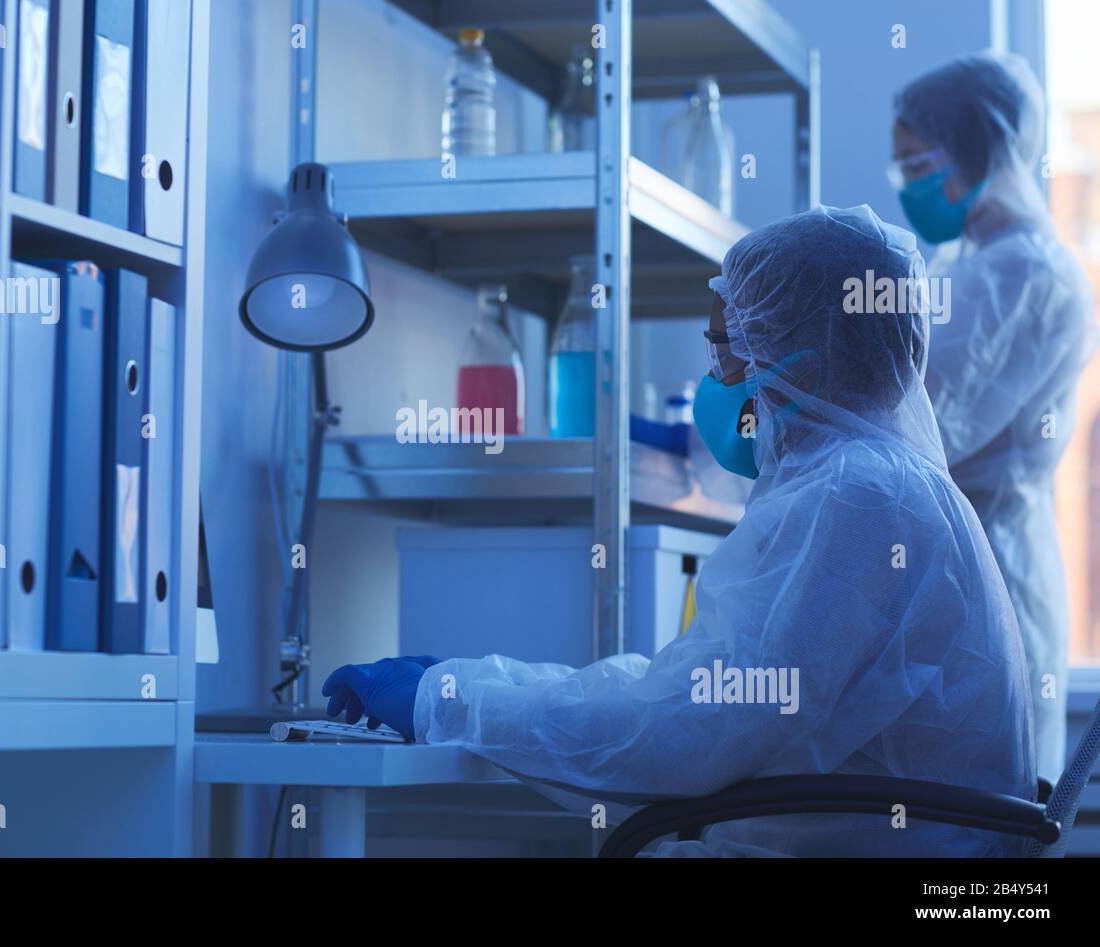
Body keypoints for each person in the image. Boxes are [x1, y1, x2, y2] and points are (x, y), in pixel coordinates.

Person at [324, 205, 1036, 857]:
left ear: (806, 365)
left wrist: (447, 700)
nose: (715, 378)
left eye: (729, 351)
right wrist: (474, 682)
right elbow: (699, 696)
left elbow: (685, 732)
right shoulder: (877, 484)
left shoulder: (855, 497)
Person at [891, 52, 1098, 780]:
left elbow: (922, 426)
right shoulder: (977, 265)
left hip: (995, 576)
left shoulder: (1025, 273)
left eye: (918, 164)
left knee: (981, 842)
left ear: (980, 149)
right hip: (970, 571)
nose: (908, 185)